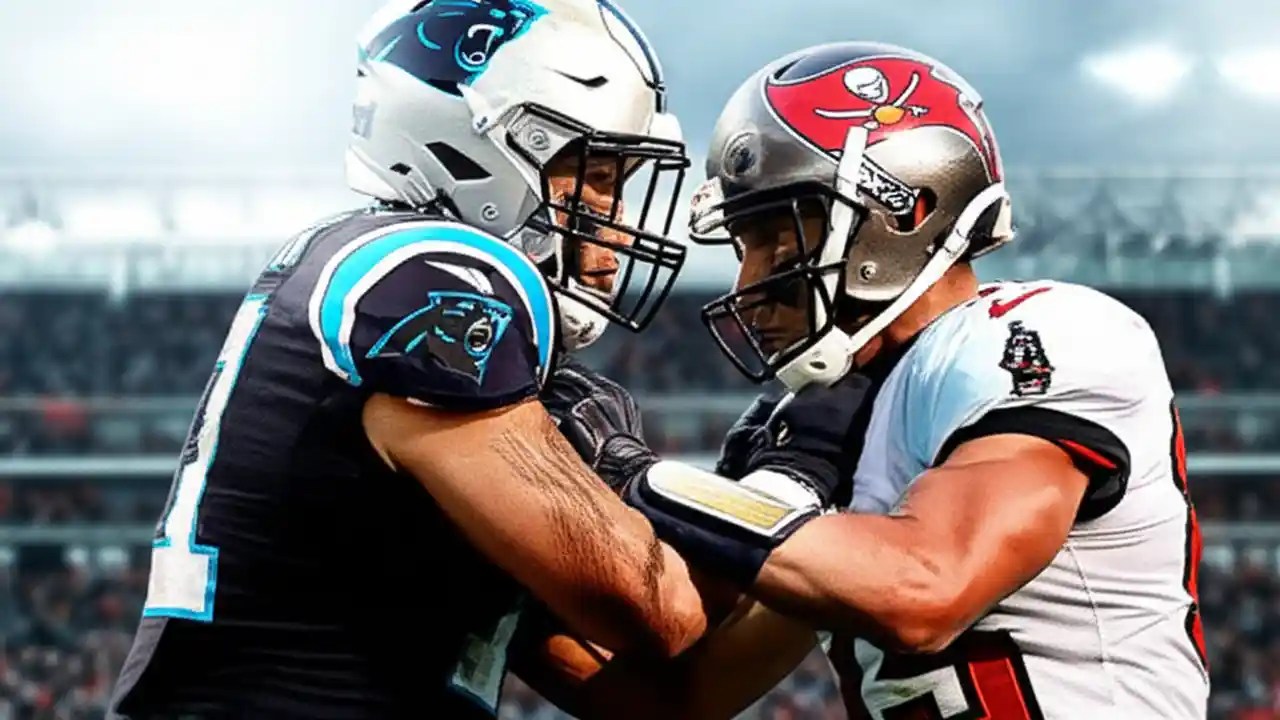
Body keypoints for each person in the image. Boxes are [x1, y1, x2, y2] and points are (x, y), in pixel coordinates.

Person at [108, 2, 731, 717]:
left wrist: (823, 556)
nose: (615, 222)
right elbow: (654, 607)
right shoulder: (437, 271)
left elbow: (658, 701)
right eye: (593, 177)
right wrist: (629, 472)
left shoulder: (367, 266)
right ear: (485, 143)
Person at [563, 41, 1210, 719]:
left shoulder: (1046, 328)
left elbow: (923, 589)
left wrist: (640, 478)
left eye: (779, 237)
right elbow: (680, 698)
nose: (750, 282)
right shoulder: (846, 416)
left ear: (904, 212)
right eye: (743, 247)